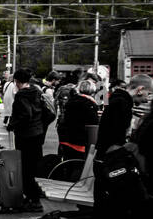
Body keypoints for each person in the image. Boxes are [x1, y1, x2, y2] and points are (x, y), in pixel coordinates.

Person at [89, 73, 153, 219]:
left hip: (103, 161)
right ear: (139, 89)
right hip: (113, 163)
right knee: (119, 210)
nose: (147, 98)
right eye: (148, 93)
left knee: (103, 209)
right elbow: (116, 138)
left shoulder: (116, 99)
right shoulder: (122, 103)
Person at [9, 68, 48, 211]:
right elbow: (47, 113)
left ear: (17, 81)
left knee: (26, 168)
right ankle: (34, 197)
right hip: (37, 135)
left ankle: (33, 200)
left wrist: (12, 125)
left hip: (26, 136)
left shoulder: (21, 95)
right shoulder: (37, 92)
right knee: (35, 167)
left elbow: (26, 114)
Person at [56, 79, 99, 160]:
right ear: (92, 91)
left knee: (68, 162)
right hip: (78, 141)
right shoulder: (89, 104)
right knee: (78, 165)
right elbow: (94, 124)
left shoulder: (72, 100)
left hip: (66, 137)